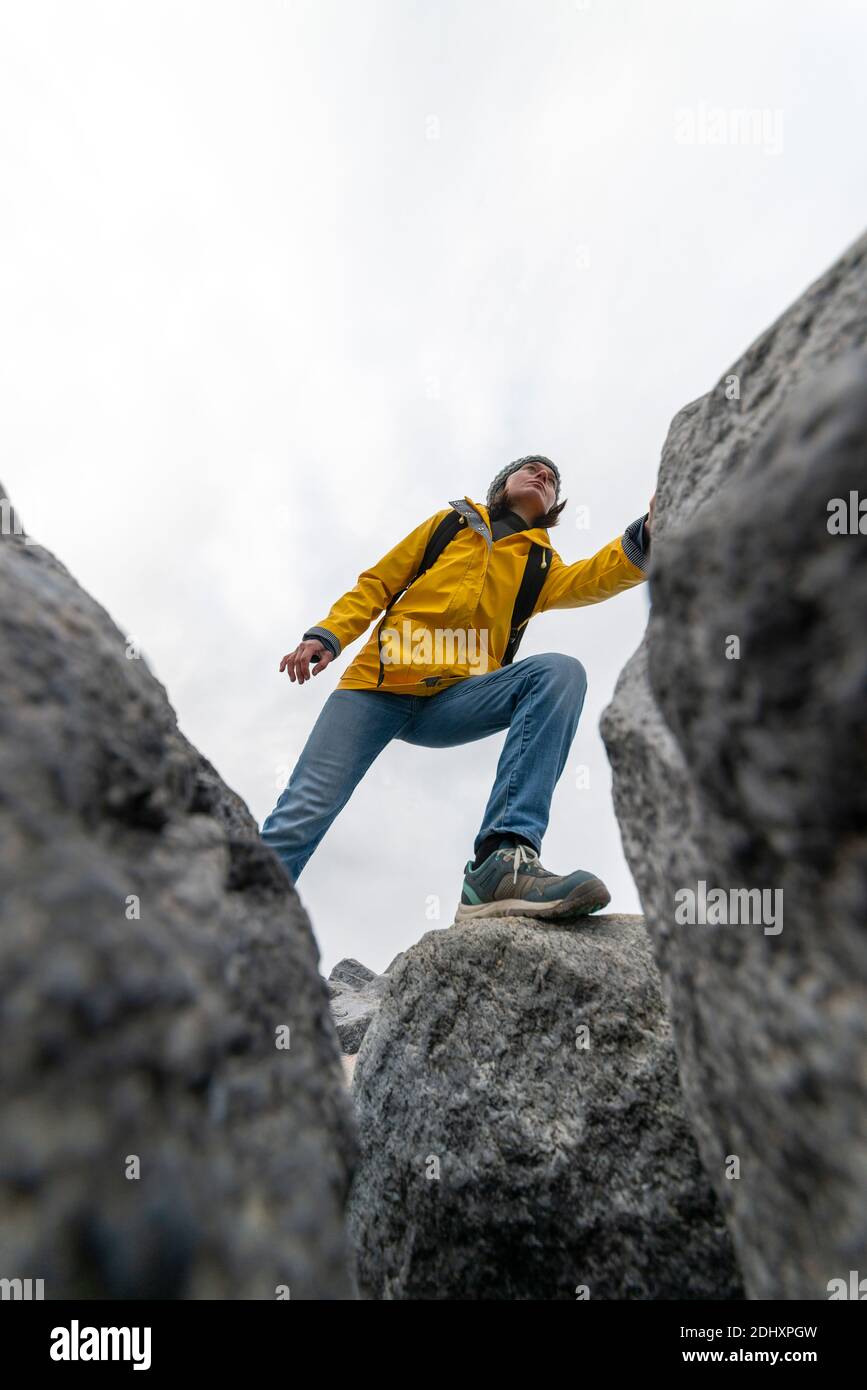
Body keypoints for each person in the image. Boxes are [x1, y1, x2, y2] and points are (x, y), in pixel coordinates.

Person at [261, 455, 654, 923]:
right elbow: (378, 584)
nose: (543, 476)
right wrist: (327, 635)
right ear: (502, 483)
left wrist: (649, 533)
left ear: (553, 504)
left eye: (551, 479)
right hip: (374, 688)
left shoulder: (540, 564)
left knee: (559, 672)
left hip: (453, 700)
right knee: (304, 808)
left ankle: (500, 862)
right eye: (532, 469)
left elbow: (595, 577)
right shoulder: (450, 525)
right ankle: (240, 925)